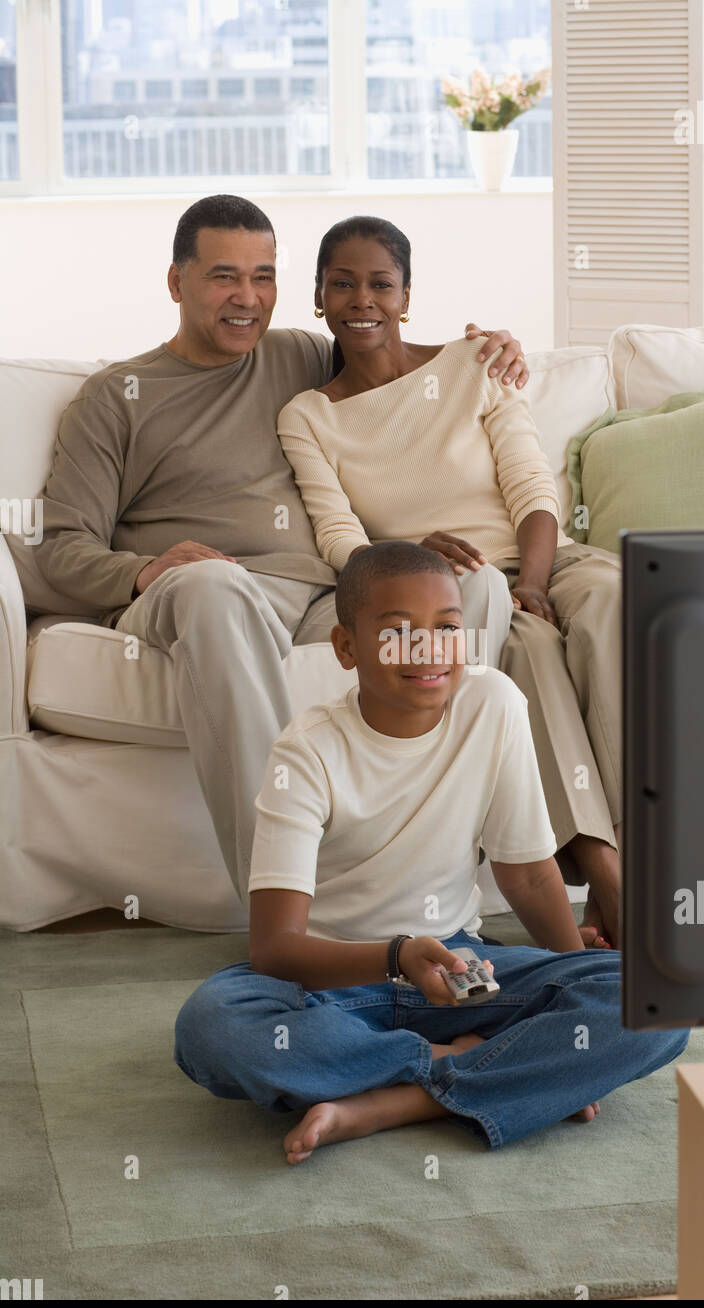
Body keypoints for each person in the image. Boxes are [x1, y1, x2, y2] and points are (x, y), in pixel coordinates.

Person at [26, 194, 530, 910]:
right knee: (213, 587)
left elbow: (386, 342)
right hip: (195, 598)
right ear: (177, 282)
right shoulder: (118, 398)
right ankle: (286, 910)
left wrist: (485, 350)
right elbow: (58, 548)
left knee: (468, 587)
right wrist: (146, 569)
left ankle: (434, 879)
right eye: (225, 276)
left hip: (322, 592)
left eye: (264, 277)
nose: (248, 298)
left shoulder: (296, 354)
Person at [173, 542, 689, 1161]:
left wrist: (572, 972)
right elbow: (274, 948)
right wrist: (396, 956)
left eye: (446, 628)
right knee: (213, 1026)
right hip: (336, 987)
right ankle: (478, 1068)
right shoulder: (307, 752)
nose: (428, 651)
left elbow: (525, 875)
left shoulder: (494, 704)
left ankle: (395, 1100)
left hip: (463, 973)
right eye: (396, 632)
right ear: (346, 648)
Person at [276, 216, 623, 945]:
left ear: (406, 296)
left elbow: (533, 490)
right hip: (442, 587)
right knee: (521, 647)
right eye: (342, 283)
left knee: (616, 601)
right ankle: (606, 881)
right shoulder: (309, 415)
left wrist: (533, 581)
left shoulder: (475, 363)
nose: (361, 300)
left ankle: (629, 858)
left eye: (380, 283)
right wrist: (408, 555)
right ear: (317, 297)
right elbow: (340, 535)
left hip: (541, 558)